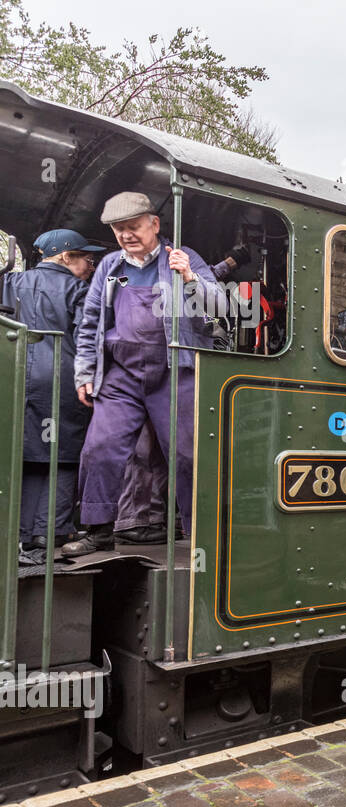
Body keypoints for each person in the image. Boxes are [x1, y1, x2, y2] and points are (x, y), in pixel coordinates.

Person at [65, 192, 221, 556]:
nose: (126, 235)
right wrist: (85, 372)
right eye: (119, 230)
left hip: (175, 369)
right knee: (100, 447)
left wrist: (189, 276)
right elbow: (90, 323)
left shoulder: (185, 258)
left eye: (133, 227)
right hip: (122, 373)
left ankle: (199, 532)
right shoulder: (108, 267)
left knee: (188, 454)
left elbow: (221, 307)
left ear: (155, 224)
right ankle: (99, 530)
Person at [112, 243, 251, 546]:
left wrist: (228, 262)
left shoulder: (177, 269)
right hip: (169, 366)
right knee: (169, 448)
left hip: (156, 367)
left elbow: (207, 281)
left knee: (161, 449)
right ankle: (156, 520)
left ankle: (149, 519)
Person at [0, 229, 103, 563]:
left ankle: (22, 533)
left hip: (14, 377)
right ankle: (51, 532)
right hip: (62, 379)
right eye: (87, 259)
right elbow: (93, 339)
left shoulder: (10, 284)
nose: (91, 265)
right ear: (64, 256)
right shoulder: (79, 290)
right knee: (65, 454)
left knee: (28, 454)